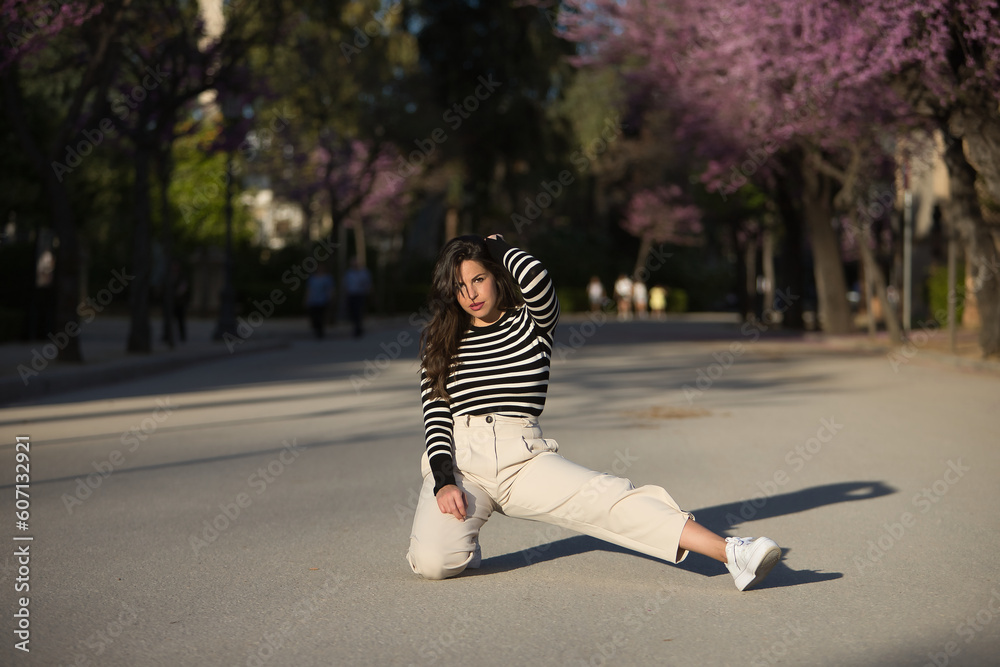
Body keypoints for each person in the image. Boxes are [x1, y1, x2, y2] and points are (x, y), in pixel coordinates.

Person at [406, 235, 781, 591]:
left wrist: (499, 247)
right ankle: (462, 540)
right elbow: (435, 414)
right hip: (462, 461)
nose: (470, 293)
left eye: (479, 278)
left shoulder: (530, 322)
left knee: (608, 499)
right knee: (433, 563)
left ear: (495, 275)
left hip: (521, 458)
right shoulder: (442, 341)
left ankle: (733, 553)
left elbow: (538, 281)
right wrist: (444, 479)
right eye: (459, 286)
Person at [304, 264, 334, 339]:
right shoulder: (312, 278)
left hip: (323, 300)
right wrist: (306, 299)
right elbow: (309, 289)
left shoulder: (327, 278)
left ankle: (320, 331)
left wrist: (330, 298)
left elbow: (330, 289)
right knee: (314, 317)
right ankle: (316, 329)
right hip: (313, 300)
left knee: (321, 317)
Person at [344, 257, 372, 338]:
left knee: (358, 311)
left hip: (360, 294)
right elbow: (345, 285)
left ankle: (358, 328)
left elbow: (368, 284)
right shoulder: (349, 273)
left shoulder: (365, 272)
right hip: (351, 294)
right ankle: (357, 327)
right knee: (352, 312)